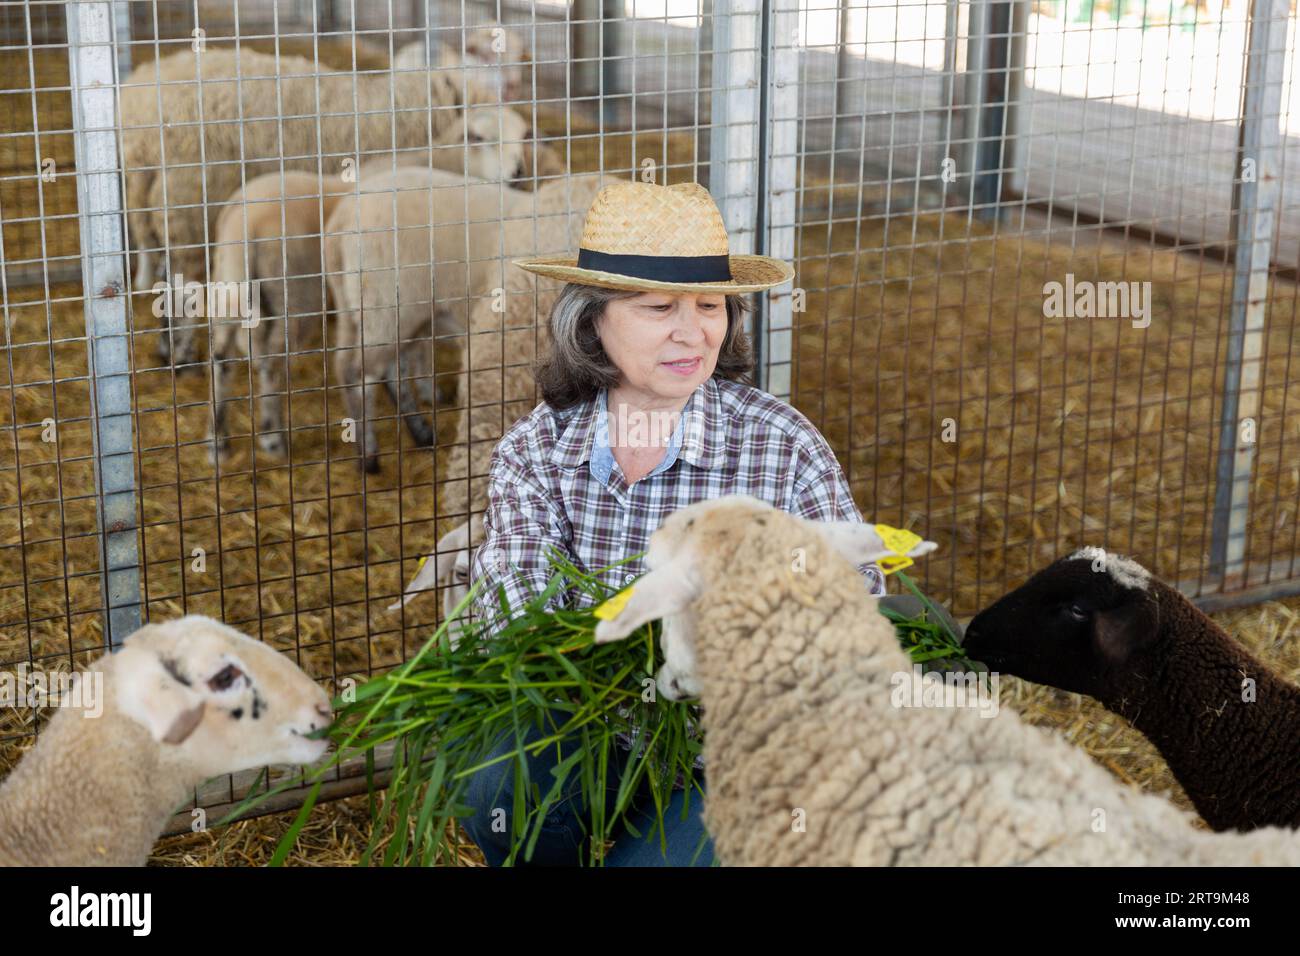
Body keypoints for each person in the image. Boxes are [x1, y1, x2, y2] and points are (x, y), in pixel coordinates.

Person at [460, 180, 934, 866]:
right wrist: (610, 643)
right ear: (591, 322)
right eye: (659, 308)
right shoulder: (538, 451)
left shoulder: (783, 448)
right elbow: (511, 611)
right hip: (597, 727)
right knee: (494, 790)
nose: (694, 331)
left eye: (710, 305)